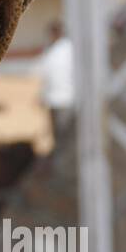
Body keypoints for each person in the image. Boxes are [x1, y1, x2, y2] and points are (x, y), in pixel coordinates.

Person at [38, 20, 74, 158]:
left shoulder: (65, 50)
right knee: (58, 137)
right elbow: (47, 77)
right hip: (55, 99)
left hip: (65, 99)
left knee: (64, 136)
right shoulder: (52, 51)